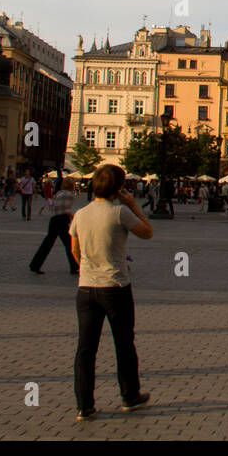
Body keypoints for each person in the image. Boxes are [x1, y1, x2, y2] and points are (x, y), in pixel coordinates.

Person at [69, 164, 154, 421]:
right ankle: (130, 396)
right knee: (124, 344)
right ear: (119, 188)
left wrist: (88, 268)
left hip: (86, 288)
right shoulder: (120, 213)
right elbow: (148, 232)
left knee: (85, 348)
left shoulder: (80, 214)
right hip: (115, 287)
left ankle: (84, 405)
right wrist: (133, 205)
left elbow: (75, 251)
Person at [30, 183, 80, 275]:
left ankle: (35, 264)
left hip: (54, 219)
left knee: (48, 243)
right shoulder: (69, 195)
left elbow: (55, 206)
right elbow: (66, 209)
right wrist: (74, 217)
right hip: (62, 220)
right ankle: (74, 266)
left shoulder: (59, 193)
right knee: (69, 244)